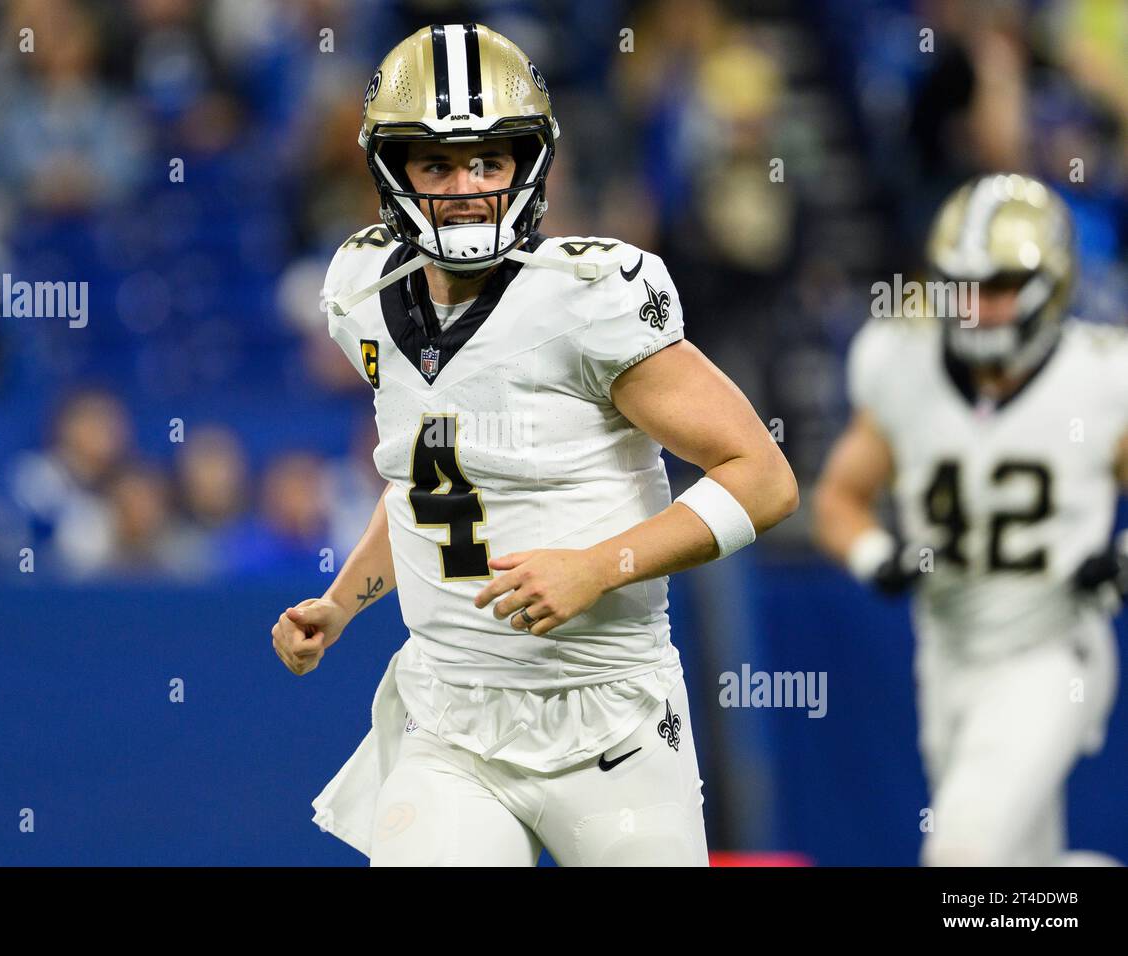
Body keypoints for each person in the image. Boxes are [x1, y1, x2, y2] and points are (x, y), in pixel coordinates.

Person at [272, 23, 797, 866]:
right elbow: (427, 484)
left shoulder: (588, 299)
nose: (466, 187)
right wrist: (342, 603)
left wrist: (599, 566)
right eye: (436, 163)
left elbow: (764, 479)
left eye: (488, 160)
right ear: (390, 170)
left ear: (528, 163)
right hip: (450, 725)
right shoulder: (363, 294)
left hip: (611, 724)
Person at [813, 173, 1128, 866]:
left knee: (961, 856)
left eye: (1000, 288)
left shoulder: (1101, 375)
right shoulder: (902, 361)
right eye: (964, 287)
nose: (979, 310)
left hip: (1052, 647)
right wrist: (875, 555)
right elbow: (839, 498)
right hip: (947, 651)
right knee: (1016, 876)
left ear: (1053, 282)